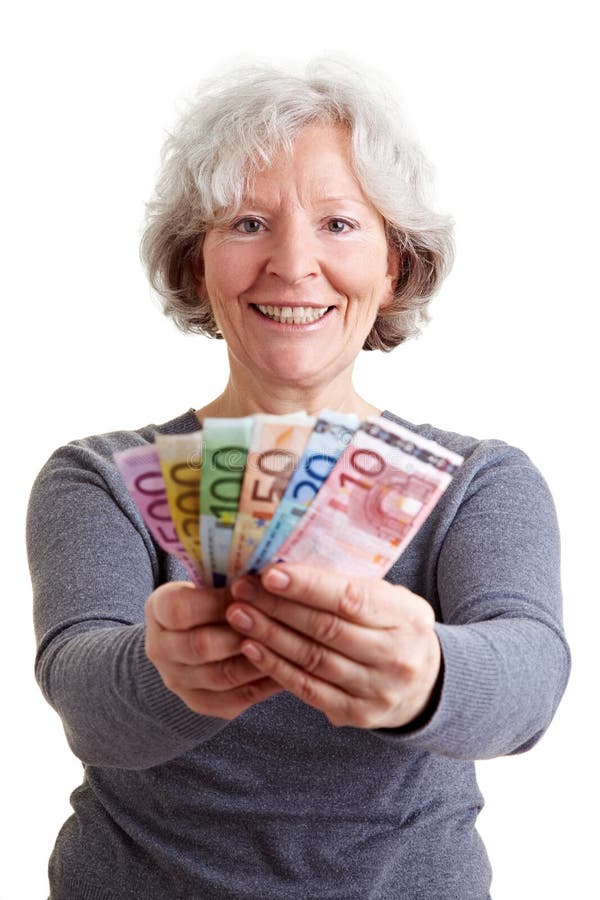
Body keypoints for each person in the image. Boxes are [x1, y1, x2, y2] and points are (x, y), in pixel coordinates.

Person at [27, 59, 570, 900]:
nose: (292, 263)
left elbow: (531, 678)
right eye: (246, 222)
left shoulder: (478, 482)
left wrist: (427, 674)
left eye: (339, 224)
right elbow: (85, 699)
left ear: (395, 267)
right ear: (196, 264)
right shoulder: (97, 478)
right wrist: (167, 669)